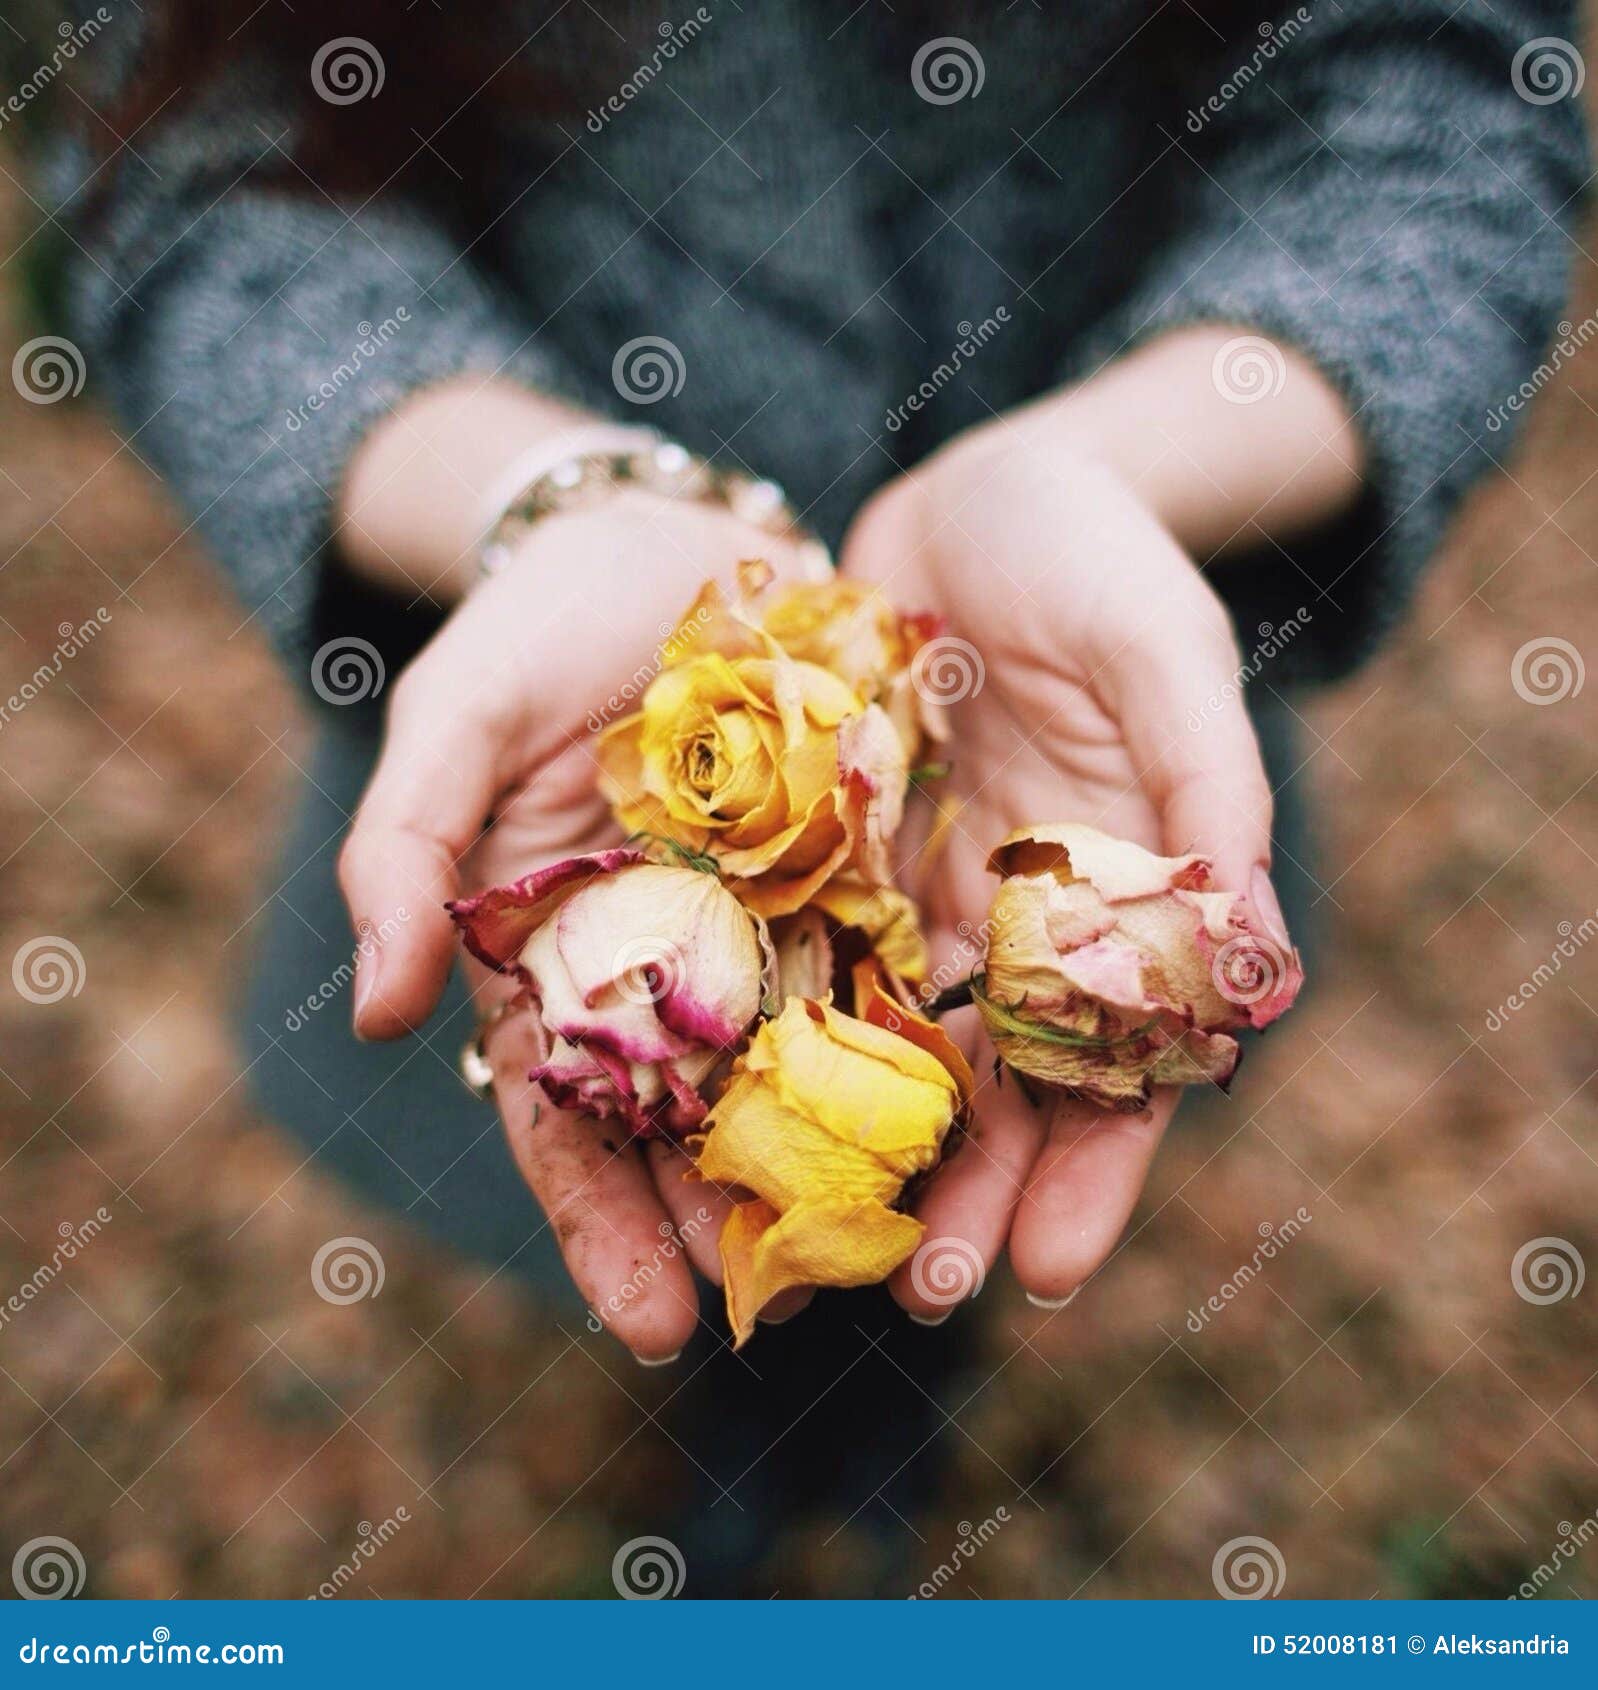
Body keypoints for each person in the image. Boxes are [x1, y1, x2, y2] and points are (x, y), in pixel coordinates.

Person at [31, 0, 1585, 1591]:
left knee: (967, 1155)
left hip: (1080, 695)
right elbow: (191, 177)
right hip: (549, 679)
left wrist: (1116, 468)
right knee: (715, 1207)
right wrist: (534, 494)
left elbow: (1438, 105)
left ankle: (893, 1398)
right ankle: (738, 1414)